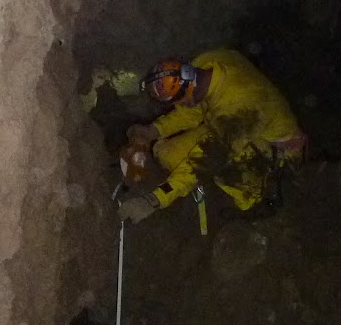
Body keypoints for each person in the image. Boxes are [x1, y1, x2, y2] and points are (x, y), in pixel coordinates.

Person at [117, 49, 306, 224]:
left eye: (179, 101)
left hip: (274, 149)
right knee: (168, 153)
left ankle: (252, 198)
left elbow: (202, 161)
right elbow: (190, 112)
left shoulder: (240, 109)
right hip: (228, 126)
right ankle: (197, 183)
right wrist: (154, 130)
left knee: (218, 166)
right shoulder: (204, 67)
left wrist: (155, 199)